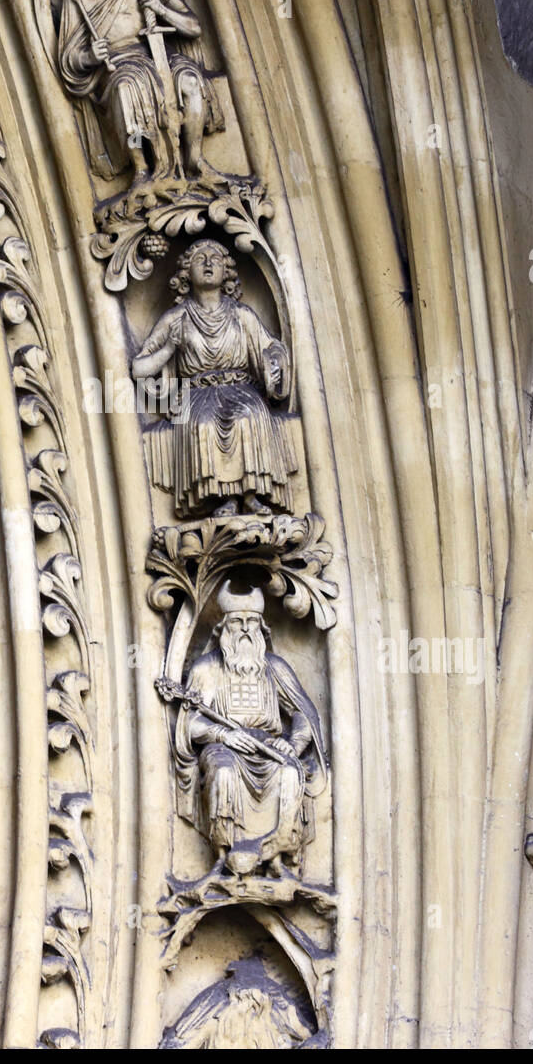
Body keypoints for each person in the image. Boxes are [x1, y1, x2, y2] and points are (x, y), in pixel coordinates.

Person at [58, 0, 224, 186]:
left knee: (189, 79)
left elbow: (194, 27)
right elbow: (70, 58)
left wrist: (162, 10)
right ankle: (143, 171)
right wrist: (90, 57)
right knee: (126, 88)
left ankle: (195, 159)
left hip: (159, 52)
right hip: (121, 63)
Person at [132, 239, 297, 516]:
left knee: (248, 414)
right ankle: (222, 499)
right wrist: (170, 349)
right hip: (197, 395)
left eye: (216, 259)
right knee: (205, 422)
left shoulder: (242, 315)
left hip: (241, 389)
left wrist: (274, 363)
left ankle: (251, 494)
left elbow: (270, 349)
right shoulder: (177, 317)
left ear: (226, 272)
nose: (209, 264)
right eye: (200, 259)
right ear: (186, 273)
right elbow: (139, 368)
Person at [173, 582, 327, 876]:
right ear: (223, 628)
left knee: (290, 772)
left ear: (262, 629)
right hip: (224, 748)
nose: (245, 629)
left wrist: (292, 744)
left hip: (268, 747)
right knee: (224, 772)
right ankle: (224, 854)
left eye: (252, 622)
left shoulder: (275, 668)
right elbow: (190, 723)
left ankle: (276, 854)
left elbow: (303, 712)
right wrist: (224, 734)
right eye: (237, 622)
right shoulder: (206, 669)